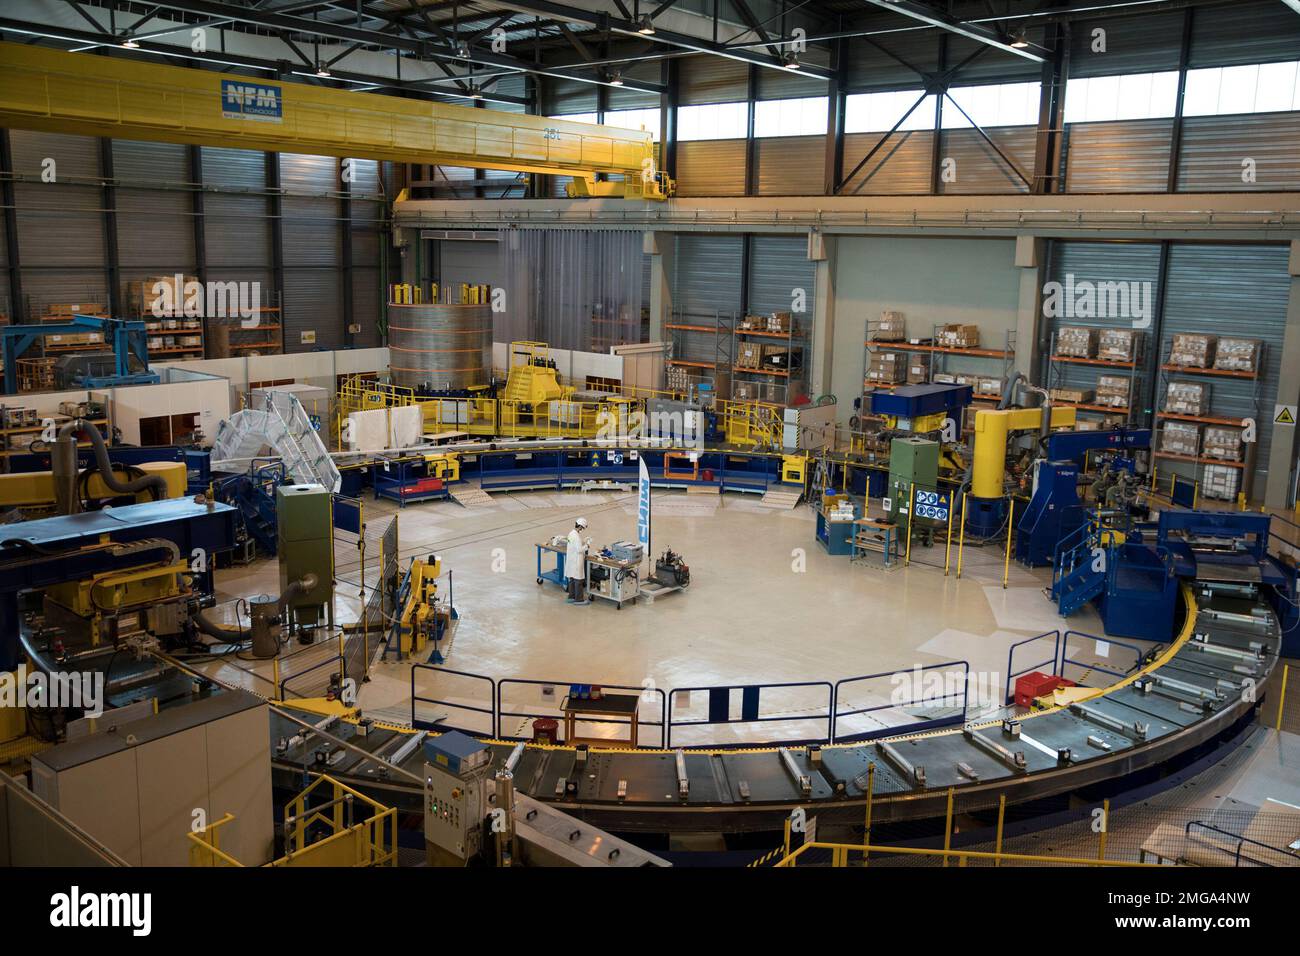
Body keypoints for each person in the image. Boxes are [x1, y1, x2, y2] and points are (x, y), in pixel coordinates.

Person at [565, 517, 591, 605]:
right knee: (578, 580)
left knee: (572, 578)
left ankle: (571, 596)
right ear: (580, 527)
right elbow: (579, 550)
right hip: (576, 560)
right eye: (582, 528)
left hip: (571, 560)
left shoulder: (571, 533)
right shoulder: (576, 536)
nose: (582, 530)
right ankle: (579, 599)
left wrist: (583, 541)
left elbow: (575, 545)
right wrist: (587, 545)